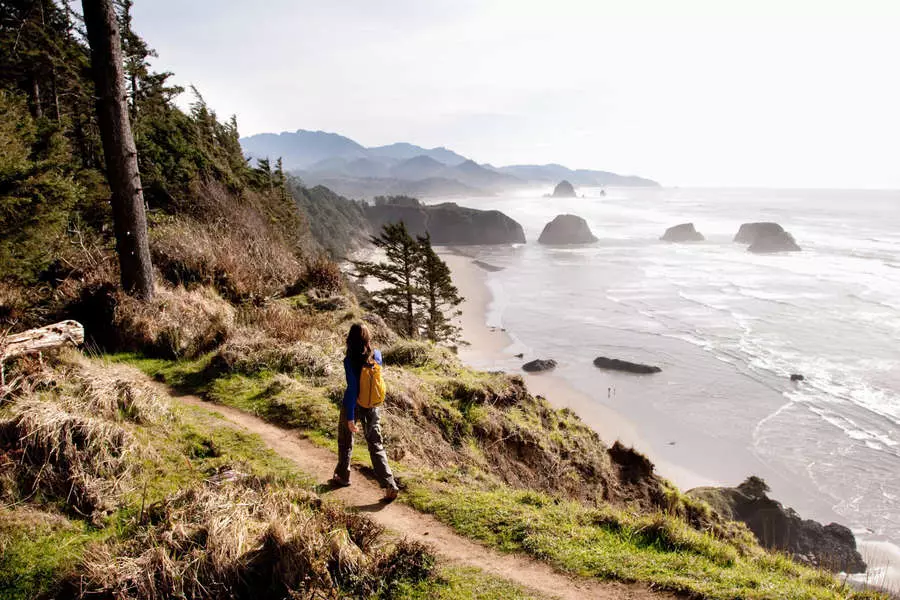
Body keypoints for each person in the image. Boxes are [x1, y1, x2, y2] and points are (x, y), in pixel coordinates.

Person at [331, 322, 399, 501]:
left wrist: (351, 417)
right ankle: (389, 484)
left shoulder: (349, 360)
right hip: (372, 405)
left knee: (345, 440)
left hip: (353, 404)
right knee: (376, 444)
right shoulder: (376, 355)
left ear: (350, 339)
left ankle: (343, 475)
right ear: (367, 338)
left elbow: (353, 389)